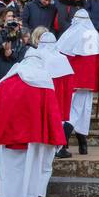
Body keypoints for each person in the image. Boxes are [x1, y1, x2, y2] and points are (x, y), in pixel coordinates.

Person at [0, 48, 65, 197]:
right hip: (37, 140)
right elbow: (52, 113)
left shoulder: (5, 83)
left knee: (11, 177)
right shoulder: (43, 83)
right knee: (35, 174)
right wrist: (57, 137)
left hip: (8, 139)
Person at [56, 9, 99, 156]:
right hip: (86, 83)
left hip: (68, 81)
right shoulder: (94, 36)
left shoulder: (67, 36)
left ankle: (67, 143)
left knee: (69, 112)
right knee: (80, 112)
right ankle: (79, 144)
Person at [33, 30, 76, 160]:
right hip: (57, 95)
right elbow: (69, 84)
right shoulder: (62, 59)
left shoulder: (35, 56)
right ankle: (58, 147)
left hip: (39, 93)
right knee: (58, 120)